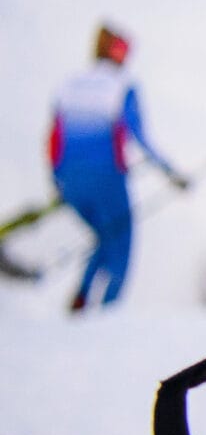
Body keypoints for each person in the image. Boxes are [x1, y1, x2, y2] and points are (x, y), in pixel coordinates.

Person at [49, 23, 185, 312]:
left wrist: (57, 182)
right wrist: (171, 173)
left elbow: (54, 137)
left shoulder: (69, 83)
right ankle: (108, 312)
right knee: (121, 241)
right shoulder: (122, 86)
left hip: (68, 180)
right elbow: (140, 138)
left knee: (102, 237)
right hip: (106, 177)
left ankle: (81, 299)